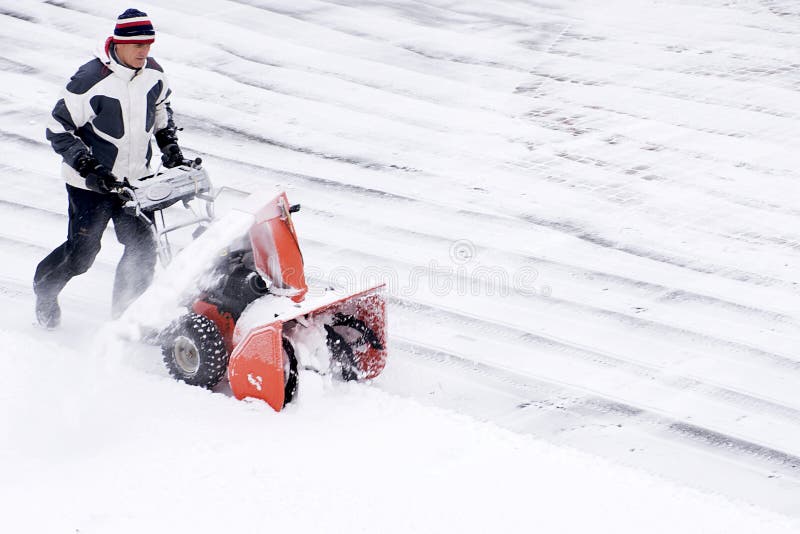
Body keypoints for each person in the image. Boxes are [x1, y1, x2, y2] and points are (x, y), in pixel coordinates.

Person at [34, 8, 190, 328]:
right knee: (82, 256)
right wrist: (88, 166)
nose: (145, 52)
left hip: (135, 183)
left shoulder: (154, 74)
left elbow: (161, 110)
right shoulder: (89, 80)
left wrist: (170, 147)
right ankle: (45, 288)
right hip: (90, 186)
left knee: (143, 252)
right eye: (138, 45)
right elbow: (58, 128)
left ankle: (124, 322)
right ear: (119, 43)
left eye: (149, 44)